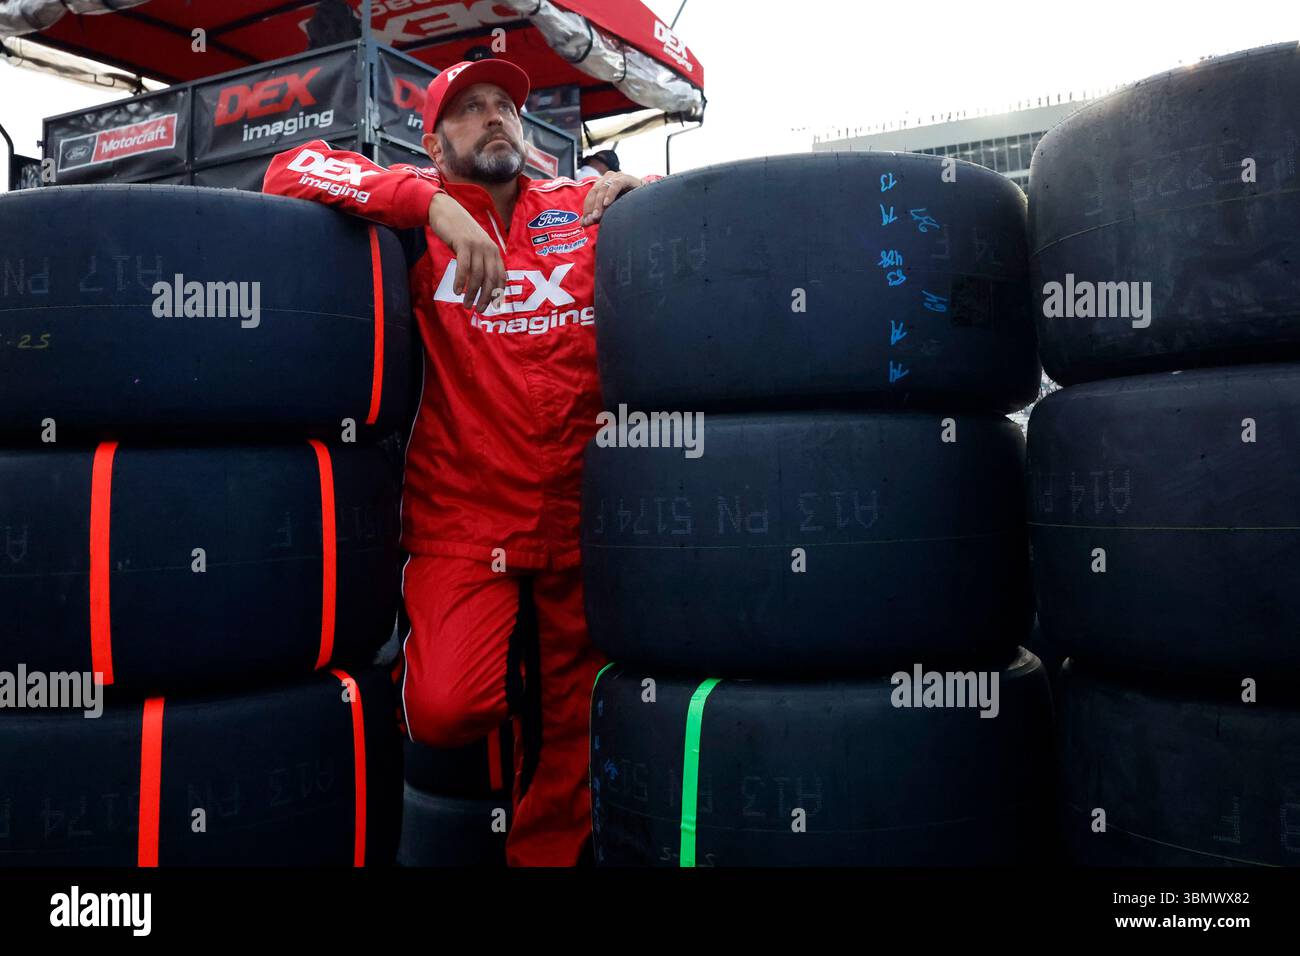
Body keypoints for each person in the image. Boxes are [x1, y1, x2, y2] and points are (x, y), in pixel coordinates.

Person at [262, 58, 651, 867]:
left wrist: (640, 193)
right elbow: (286, 169)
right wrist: (434, 208)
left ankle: (539, 857)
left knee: (579, 727)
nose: (495, 117)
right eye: (470, 110)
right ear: (435, 143)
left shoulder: (581, 206)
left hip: (583, 516)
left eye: (505, 105)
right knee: (445, 708)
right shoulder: (413, 213)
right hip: (464, 519)